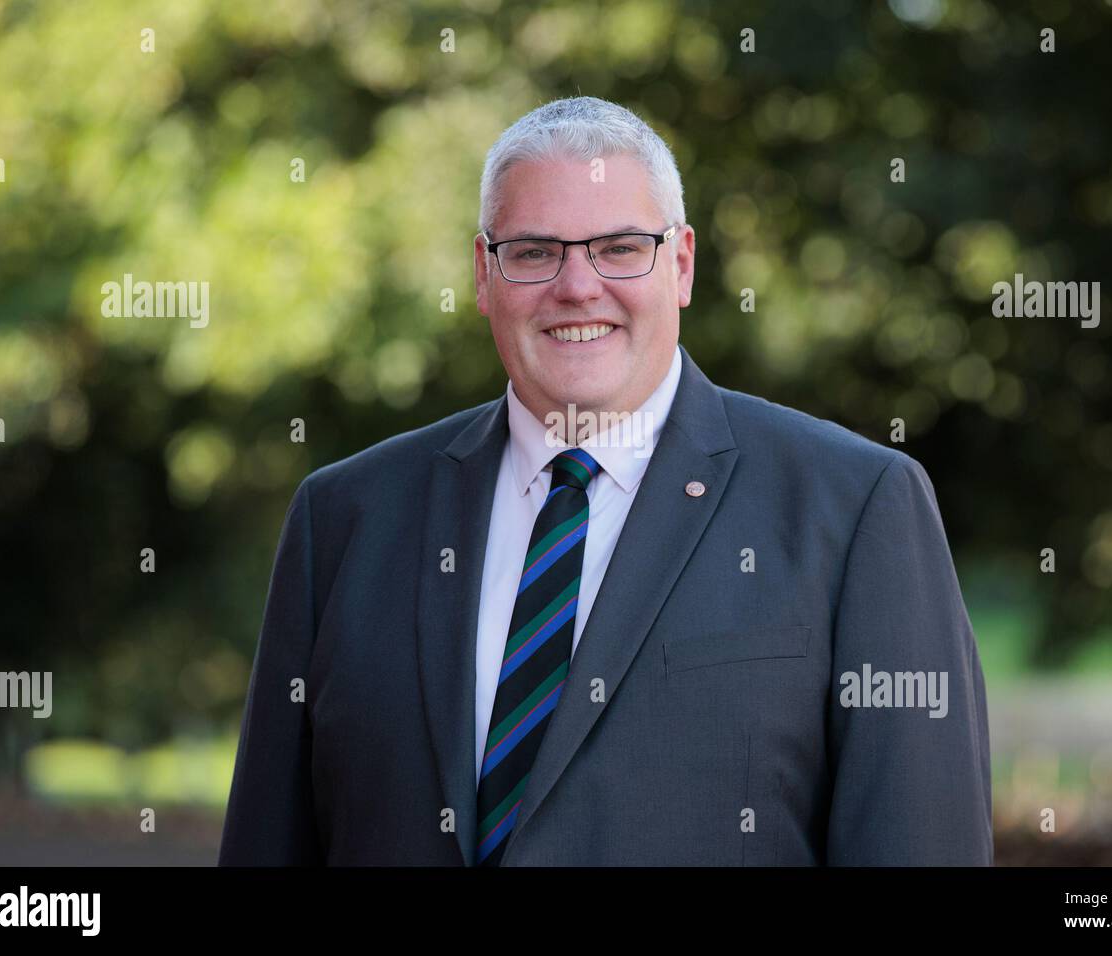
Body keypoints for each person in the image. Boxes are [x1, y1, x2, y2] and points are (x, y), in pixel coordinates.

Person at [218, 96, 992, 866]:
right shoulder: (345, 517)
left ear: (682, 265)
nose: (578, 287)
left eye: (620, 247)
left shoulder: (856, 507)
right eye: (533, 251)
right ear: (484, 276)